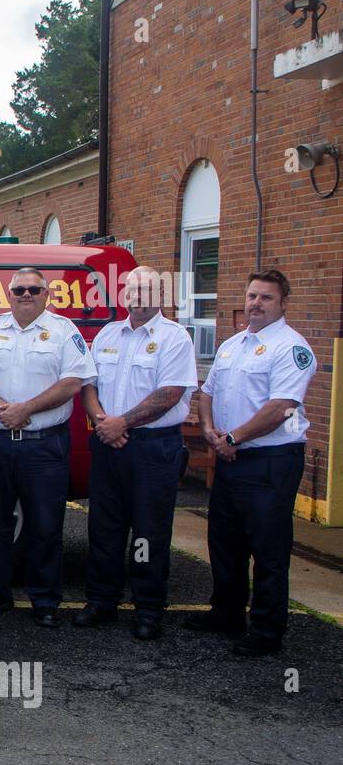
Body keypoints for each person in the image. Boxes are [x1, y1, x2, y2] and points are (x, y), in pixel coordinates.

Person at [187, 269, 317, 656]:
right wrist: (211, 431)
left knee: (268, 548)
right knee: (225, 541)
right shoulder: (232, 345)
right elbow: (207, 391)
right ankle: (226, 613)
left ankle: (266, 630)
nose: (256, 303)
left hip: (269, 461)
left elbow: (280, 408)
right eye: (252, 296)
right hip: (229, 456)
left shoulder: (292, 348)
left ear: (282, 304)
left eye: (265, 298)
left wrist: (234, 438)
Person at [0, 268, 97, 627]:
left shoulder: (65, 331)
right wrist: (3, 407)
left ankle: (45, 600)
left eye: (33, 289)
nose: (26, 294)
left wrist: (26, 409)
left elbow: (72, 382)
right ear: (9, 294)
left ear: (45, 294)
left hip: (43, 446)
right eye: (19, 289)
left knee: (45, 525)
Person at [77, 266, 196, 640]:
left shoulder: (174, 338)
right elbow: (88, 385)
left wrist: (121, 423)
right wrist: (101, 421)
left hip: (152, 449)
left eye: (145, 289)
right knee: (104, 528)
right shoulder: (108, 334)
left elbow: (170, 394)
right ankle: (102, 601)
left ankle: (147, 607)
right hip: (109, 444)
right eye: (130, 289)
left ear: (159, 294)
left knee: (148, 532)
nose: (136, 295)